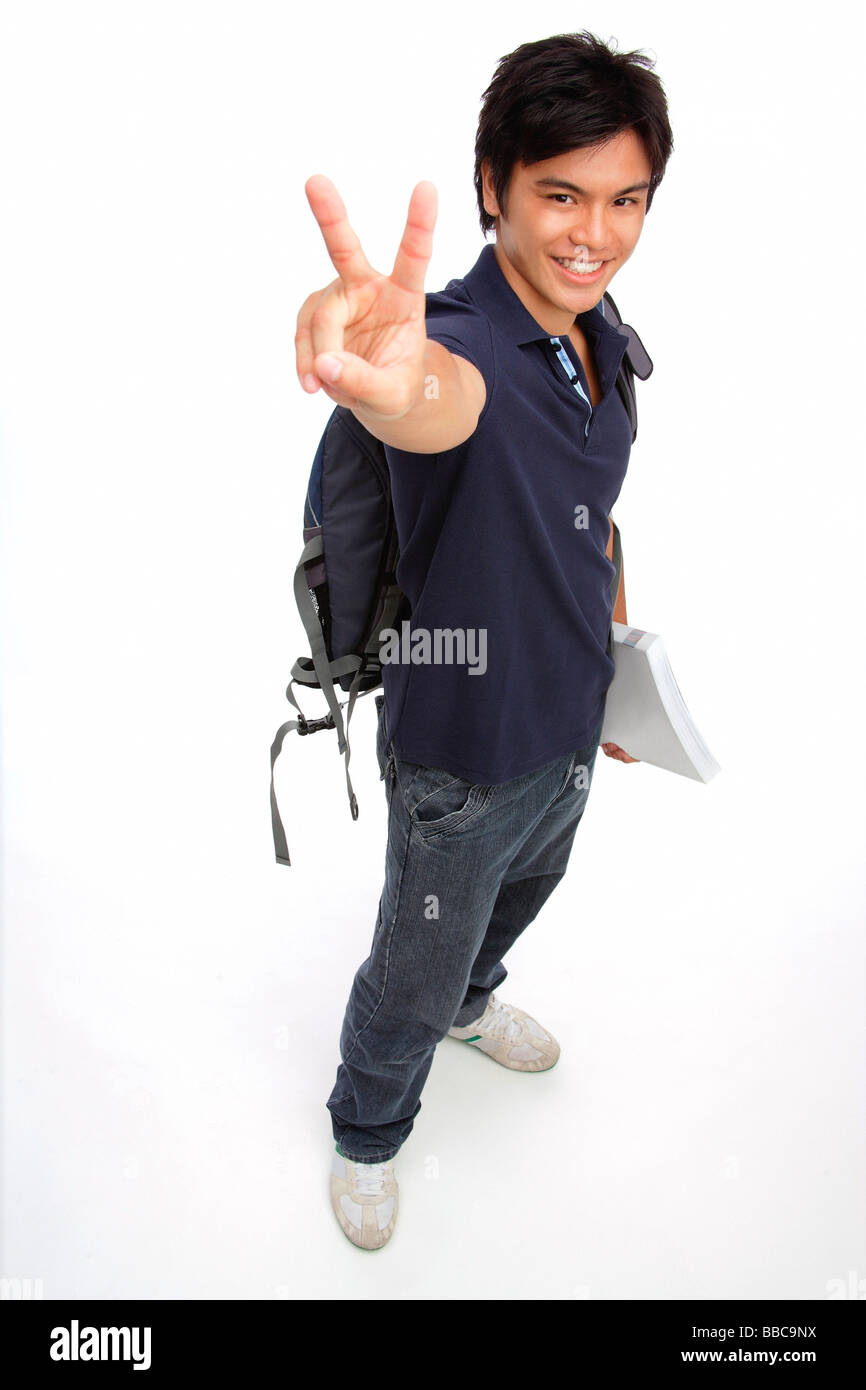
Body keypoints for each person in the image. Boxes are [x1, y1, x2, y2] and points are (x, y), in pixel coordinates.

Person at [294, 29, 673, 1250]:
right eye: (559, 193)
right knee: (410, 963)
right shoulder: (457, 345)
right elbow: (426, 402)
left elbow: (593, 520)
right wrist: (384, 375)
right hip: (458, 748)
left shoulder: (600, 338)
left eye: (624, 200)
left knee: (519, 899)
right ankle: (365, 1128)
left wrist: (612, 672)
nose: (592, 232)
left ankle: (473, 1002)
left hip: (566, 728)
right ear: (493, 188)